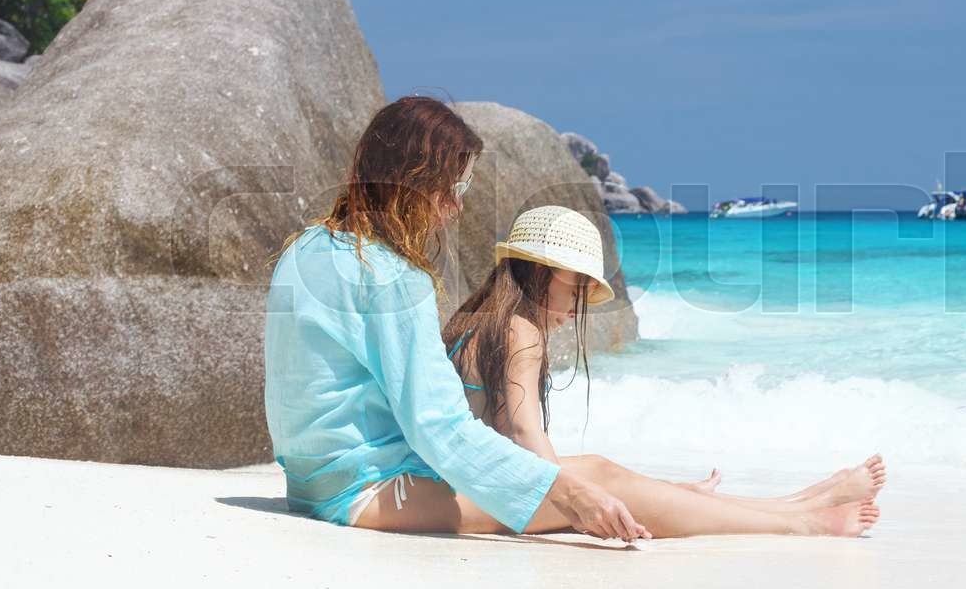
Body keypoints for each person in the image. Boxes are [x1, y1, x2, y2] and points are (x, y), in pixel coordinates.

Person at [264, 97, 647, 542]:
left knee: (596, 473)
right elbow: (438, 426)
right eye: (454, 189)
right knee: (600, 488)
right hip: (365, 490)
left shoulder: (304, 247)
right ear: (411, 181)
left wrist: (566, 487)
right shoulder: (391, 277)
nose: (456, 207)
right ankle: (749, 523)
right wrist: (568, 495)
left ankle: (736, 509)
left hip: (310, 483)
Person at [442, 204, 885, 538]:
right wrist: (582, 497)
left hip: (462, 485)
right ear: (543, 273)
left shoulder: (477, 321)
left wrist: (646, 488)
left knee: (603, 471)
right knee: (605, 480)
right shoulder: (522, 330)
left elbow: (506, 441)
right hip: (466, 495)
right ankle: (801, 522)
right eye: (576, 288)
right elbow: (524, 436)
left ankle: (798, 503)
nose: (577, 307)